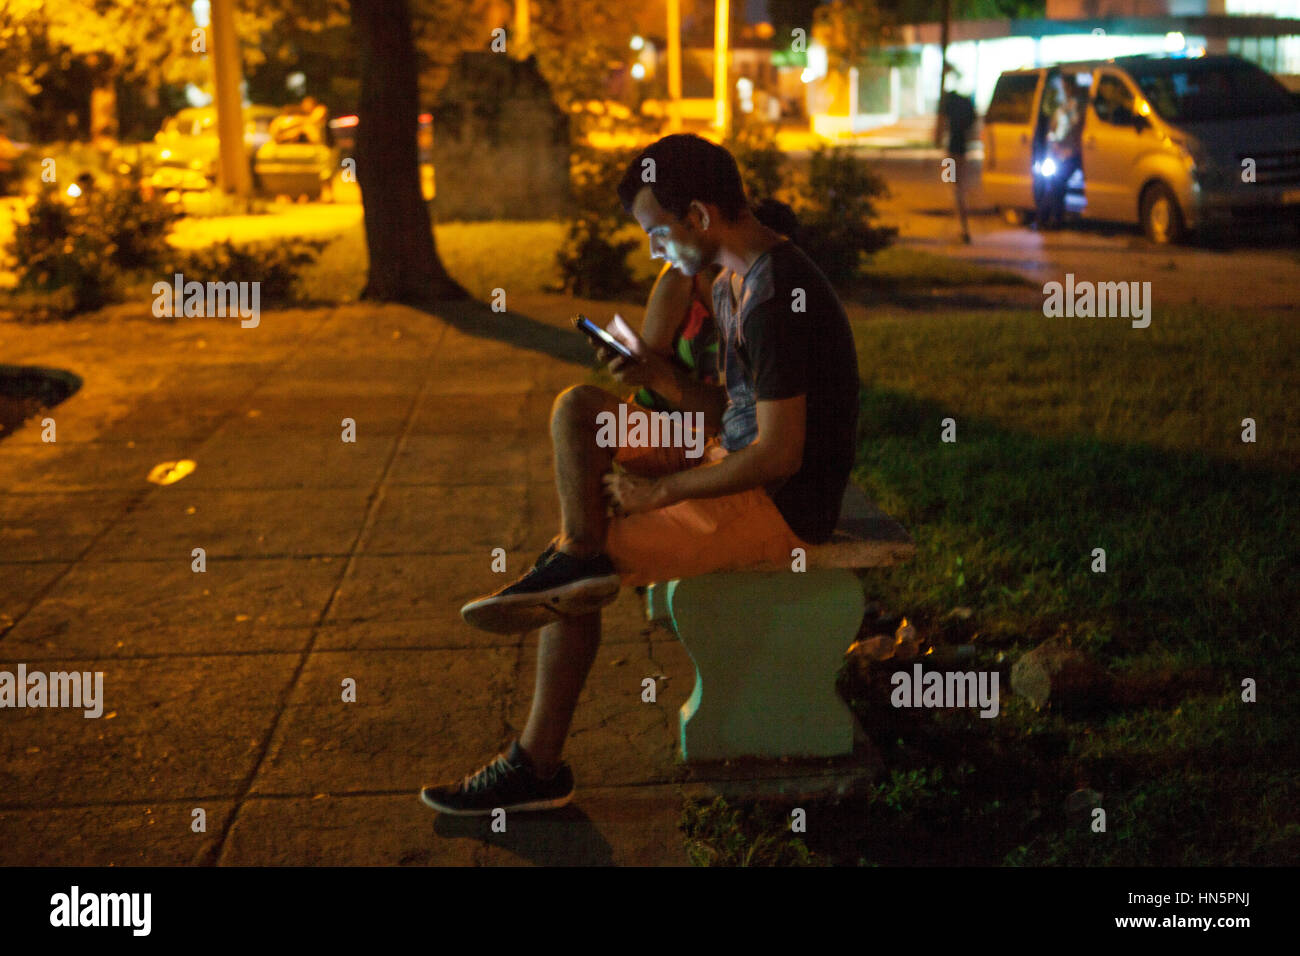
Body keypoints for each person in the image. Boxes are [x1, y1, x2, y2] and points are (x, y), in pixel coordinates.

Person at [420, 134, 861, 815]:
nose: (658, 252)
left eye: (661, 235)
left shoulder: (775, 296)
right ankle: (576, 551)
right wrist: (657, 378)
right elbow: (732, 414)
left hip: (781, 505)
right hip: (730, 459)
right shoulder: (735, 278)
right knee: (582, 415)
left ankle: (536, 766)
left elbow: (778, 455)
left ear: (701, 215)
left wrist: (663, 491)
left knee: (584, 579)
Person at [1035, 74, 1082, 230]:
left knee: (1056, 183)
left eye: (1066, 86)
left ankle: (1053, 219)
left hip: (1070, 153)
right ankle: (1050, 219)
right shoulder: (1062, 106)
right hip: (1058, 153)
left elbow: (1073, 127)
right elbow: (1054, 127)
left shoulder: (1074, 106)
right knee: (1053, 184)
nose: (1064, 89)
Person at [937, 65, 976, 244]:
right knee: (956, 186)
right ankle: (961, 226)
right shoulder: (966, 101)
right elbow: (973, 124)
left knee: (952, 187)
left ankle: (961, 227)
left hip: (952, 150)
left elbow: (941, 125)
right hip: (962, 150)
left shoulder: (949, 100)